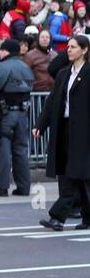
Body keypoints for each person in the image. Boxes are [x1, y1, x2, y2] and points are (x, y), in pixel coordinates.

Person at [35, 34, 90, 231]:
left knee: (74, 174)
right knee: (78, 175)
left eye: (74, 47)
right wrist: (41, 125)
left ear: (84, 50)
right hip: (64, 128)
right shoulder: (63, 73)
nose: (69, 50)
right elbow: (52, 102)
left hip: (84, 131)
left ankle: (57, 217)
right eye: (68, 47)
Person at [0, 38, 34, 197]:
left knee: (3, 150)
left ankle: (1, 186)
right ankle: (24, 186)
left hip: (5, 114)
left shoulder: (2, 67)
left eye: (2, 50)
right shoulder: (26, 67)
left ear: (8, 51)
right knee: (20, 150)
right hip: (22, 114)